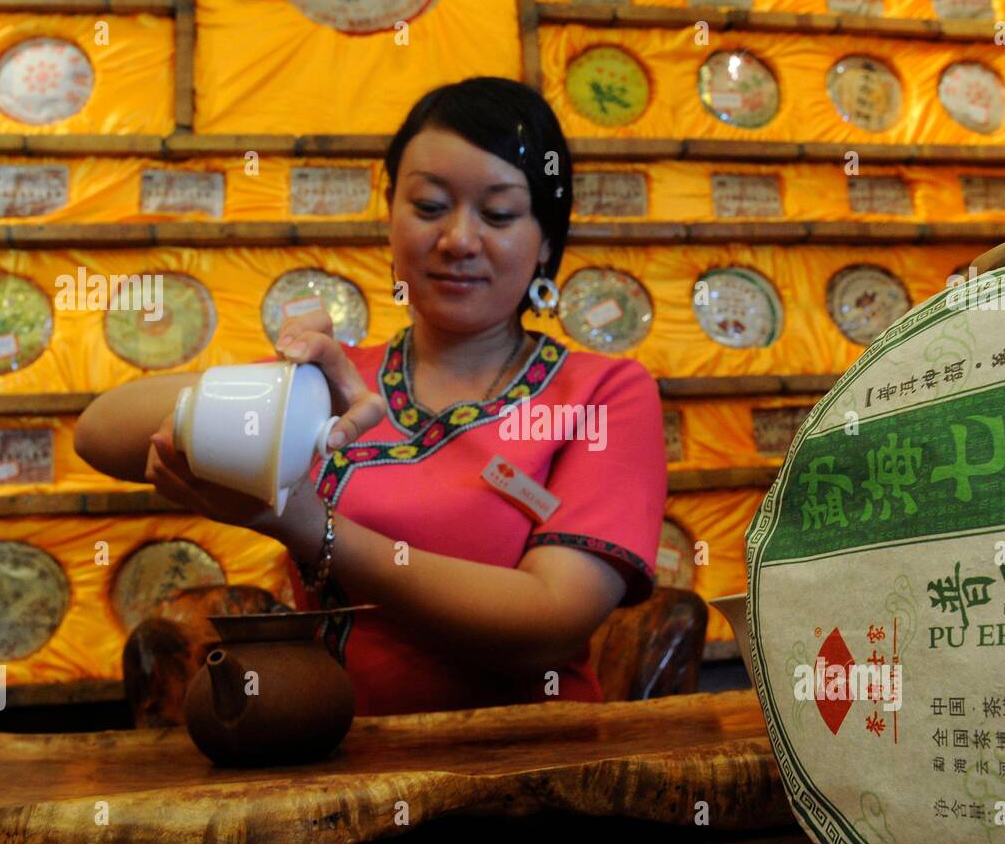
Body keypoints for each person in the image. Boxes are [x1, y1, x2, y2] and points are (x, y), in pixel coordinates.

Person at [76, 77, 667, 715]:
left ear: (547, 239)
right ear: (390, 215)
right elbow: (103, 431)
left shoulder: (604, 393)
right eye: (430, 205)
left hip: (531, 774)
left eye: (498, 214)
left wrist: (310, 527)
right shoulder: (335, 382)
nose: (459, 239)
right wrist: (284, 390)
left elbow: (550, 621)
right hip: (336, 771)